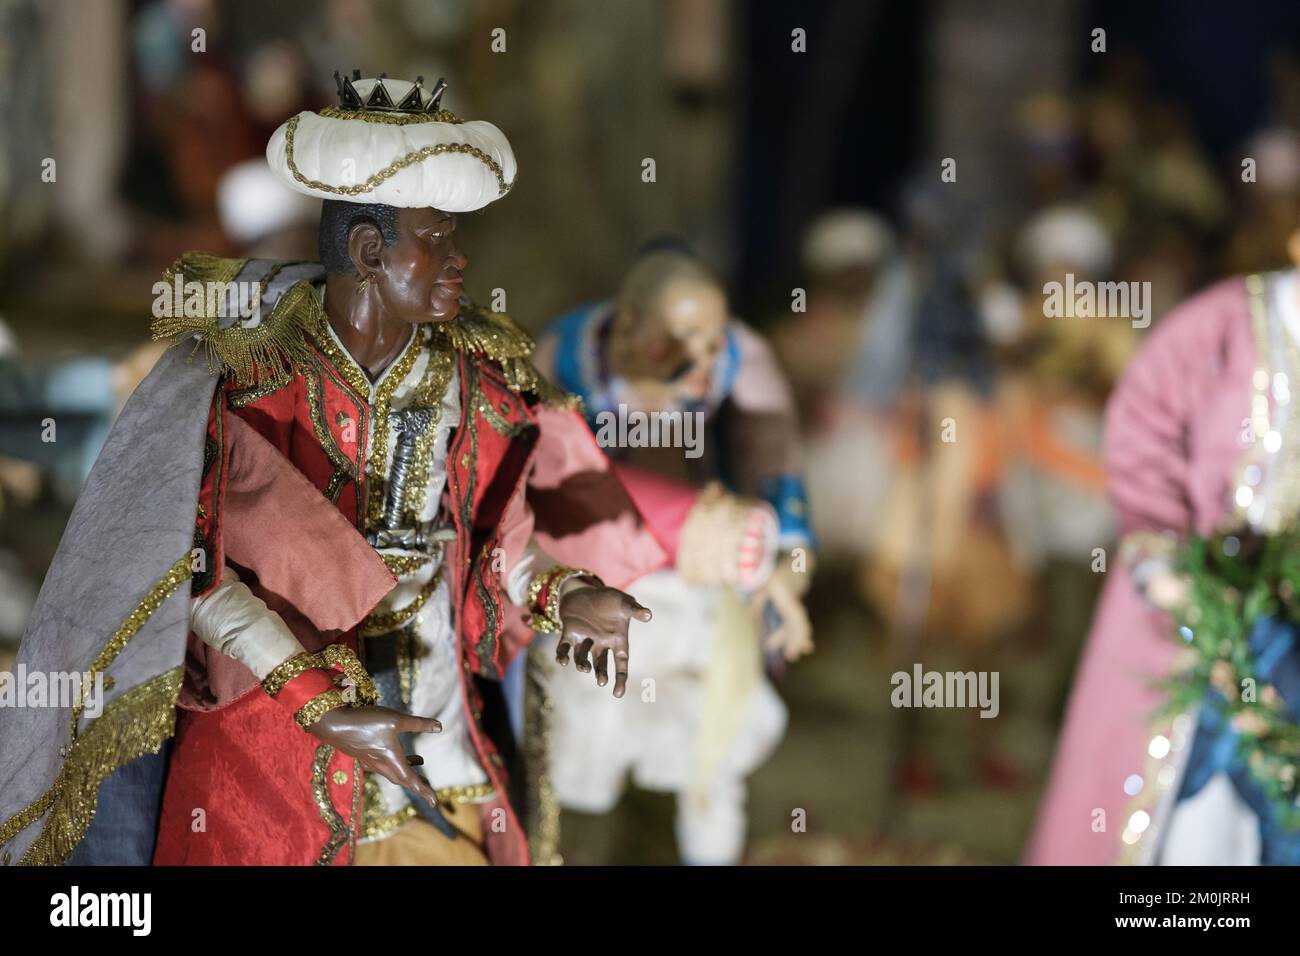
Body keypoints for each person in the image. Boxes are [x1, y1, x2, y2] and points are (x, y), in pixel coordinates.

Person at [0, 74, 664, 866]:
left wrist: (567, 592)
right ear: (368, 250)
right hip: (270, 758)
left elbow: (493, 543)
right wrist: (318, 707)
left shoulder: (476, 380)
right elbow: (196, 575)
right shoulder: (254, 384)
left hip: (437, 748)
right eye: (437, 238)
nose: (458, 260)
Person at [1028, 228, 1300, 865]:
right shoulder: (1223, 326)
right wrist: (1170, 567)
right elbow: (1142, 428)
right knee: (1187, 818)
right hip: (1193, 612)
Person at [534, 246, 813, 864]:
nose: (699, 361)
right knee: (579, 748)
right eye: (678, 341)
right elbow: (531, 472)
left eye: (713, 343)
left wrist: (787, 572)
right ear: (627, 325)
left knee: (711, 750)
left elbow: (780, 471)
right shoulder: (563, 356)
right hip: (593, 585)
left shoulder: (742, 361)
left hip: (704, 583)